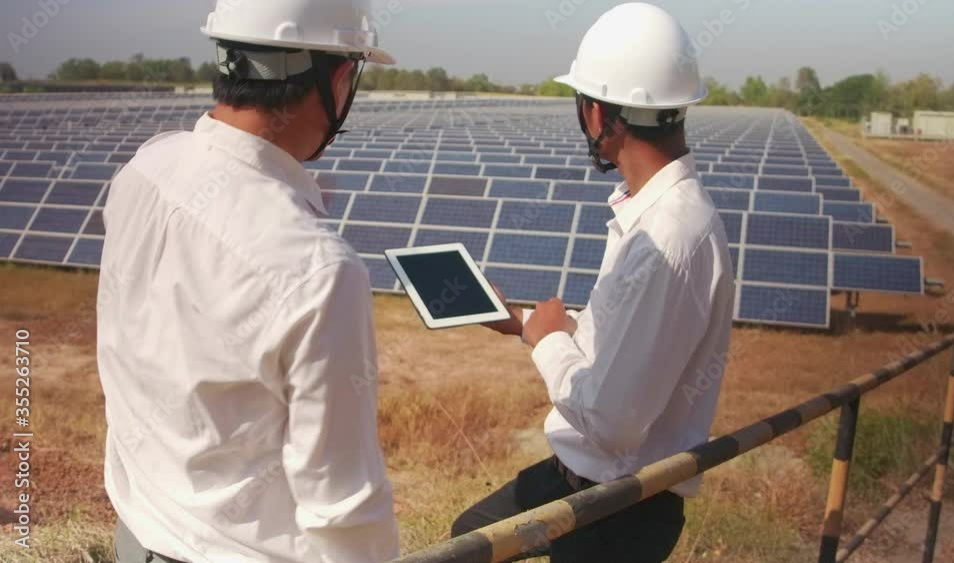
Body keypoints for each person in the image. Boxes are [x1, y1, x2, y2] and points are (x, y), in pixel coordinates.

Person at [96, 1, 399, 561]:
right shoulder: (319, 272)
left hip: (137, 534)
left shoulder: (145, 168)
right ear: (338, 80)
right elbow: (342, 509)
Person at [451, 4, 736, 562]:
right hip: (582, 482)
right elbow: (623, 345)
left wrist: (547, 341)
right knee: (467, 540)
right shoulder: (654, 217)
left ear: (598, 113)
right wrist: (521, 323)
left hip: (619, 511)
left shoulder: (670, 238)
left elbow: (613, 422)